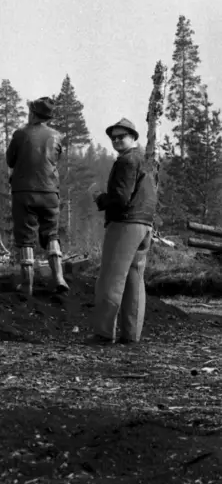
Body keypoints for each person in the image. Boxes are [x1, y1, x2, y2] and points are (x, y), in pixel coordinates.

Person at [88, 117, 157, 344]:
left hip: (125, 225)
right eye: (113, 137)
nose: (117, 140)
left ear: (133, 137)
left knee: (110, 279)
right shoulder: (146, 161)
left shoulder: (126, 161)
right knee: (134, 281)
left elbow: (120, 199)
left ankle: (104, 334)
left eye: (122, 137)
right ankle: (131, 335)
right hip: (145, 226)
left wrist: (99, 197)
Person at [5, 96, 66, 298]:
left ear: (32, 113)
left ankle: (27, 285)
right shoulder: (57, 136)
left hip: (24, 193)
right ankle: (58, 277)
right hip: (50, 193)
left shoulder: (20, 134)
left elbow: (10, 160)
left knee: (25, 239)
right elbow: (55, 159)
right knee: (51, 234)